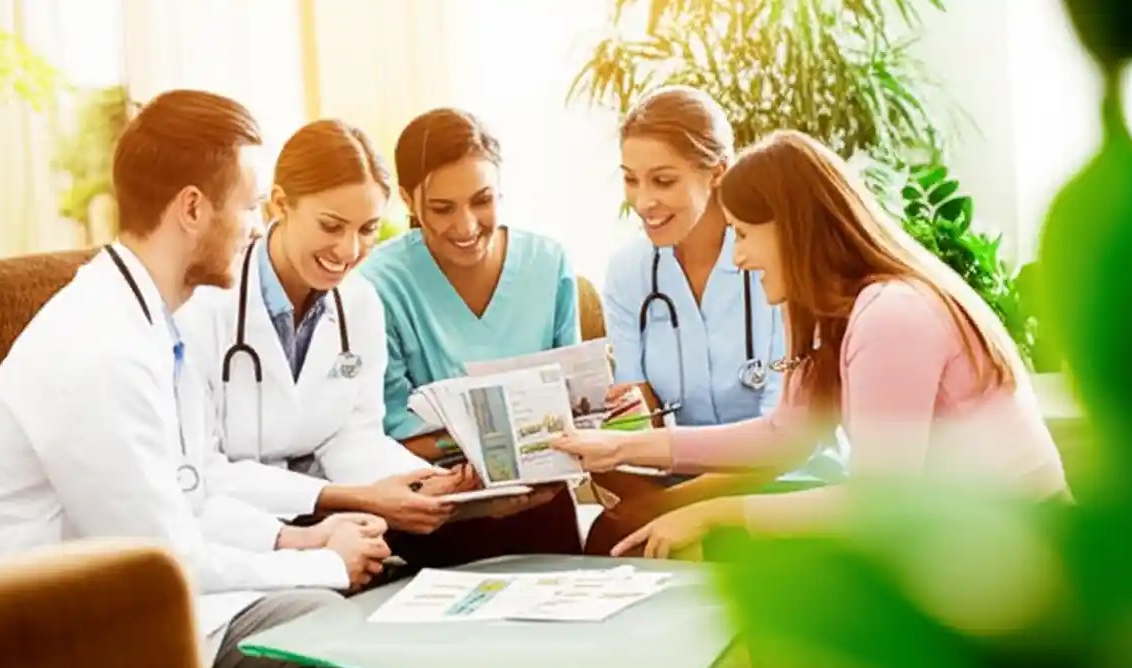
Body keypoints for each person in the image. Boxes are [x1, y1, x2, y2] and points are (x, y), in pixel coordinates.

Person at [0, 90, 389, 668]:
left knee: (329, 621)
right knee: (326, 634)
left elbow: (191, 493)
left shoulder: (150, 323)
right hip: (27, 647)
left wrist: (294, 542)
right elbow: (165, 566)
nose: (258, 227)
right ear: (193, 208)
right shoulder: (100, 351)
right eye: (251, 207)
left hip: (106, 615)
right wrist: (325, 565)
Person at [555, 130, 1068, 559]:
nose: (739, 258)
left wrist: (712, 511)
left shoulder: (893, 313)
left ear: (794, 230)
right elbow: (786, 433)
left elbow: (878, 503)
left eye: (744, 234)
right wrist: (623, 446)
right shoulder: (840, 314)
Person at [176, 119, 485, 539]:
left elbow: (354, 439)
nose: (349, 250)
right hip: (232, 534)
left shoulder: (359, 303)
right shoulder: (202, 306)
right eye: (332, 226)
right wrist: (347, 498)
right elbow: (202, 472)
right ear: (279, 205)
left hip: (333, 525)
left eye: (367, 229)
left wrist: (427, 482)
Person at [584, 87, 845, 554]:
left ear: (718, 173)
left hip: (788, 483)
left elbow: (783, 438)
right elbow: (636, 417)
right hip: (674, 483)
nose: (643, 202)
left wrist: (673, 509)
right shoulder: (629, 272)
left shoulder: (774, 260)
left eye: (663, 181)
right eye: (631, 180)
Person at [357, 107, 580, 562]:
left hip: (541, 504)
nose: (466, 226)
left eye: (482, 200)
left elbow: (574, 402)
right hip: (437, 511)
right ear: (407, 199)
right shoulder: (377, 284)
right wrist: (498, 446)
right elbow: (384, 437)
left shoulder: (548, 264)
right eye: (442, 208)